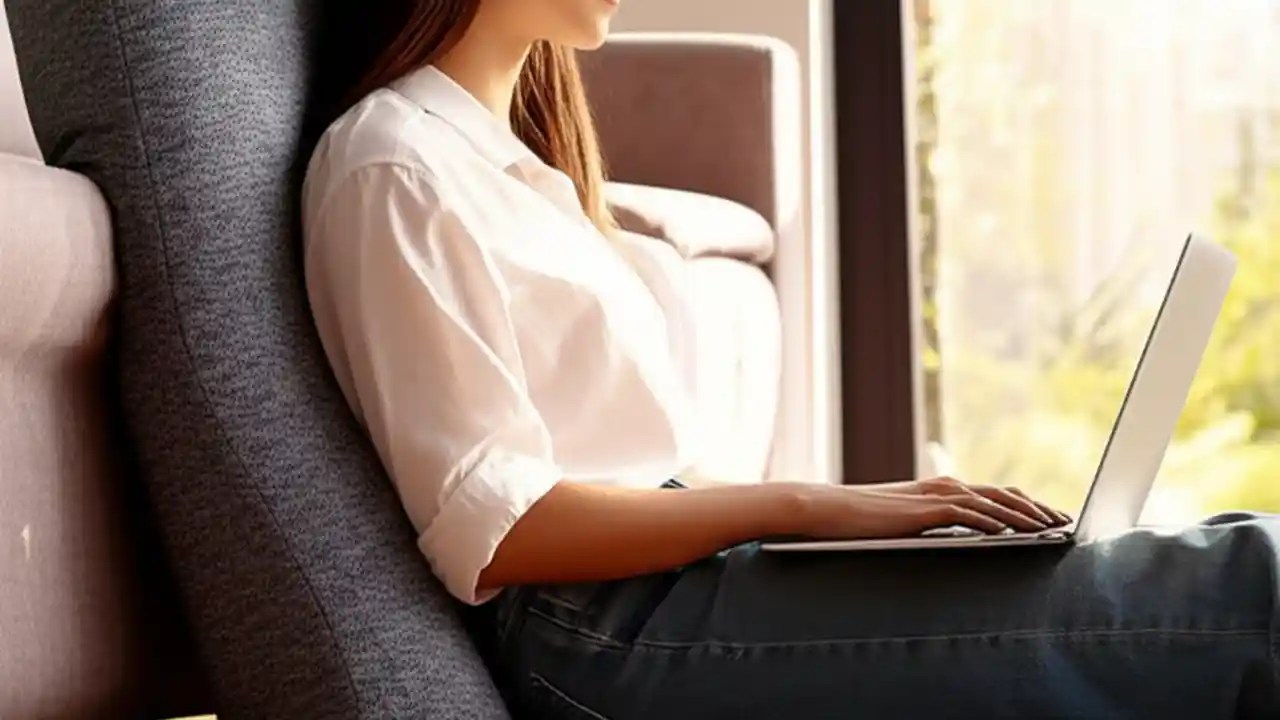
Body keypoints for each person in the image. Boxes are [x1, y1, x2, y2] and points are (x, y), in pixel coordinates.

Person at [300, 1, 1280, 717]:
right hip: (606, 635)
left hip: (663, 593)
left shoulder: (511, 166)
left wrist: (862, 518)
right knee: (1249, 590)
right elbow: (498, 530)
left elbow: (621, 467)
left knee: (1225, 558)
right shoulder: (392, 165)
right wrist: (806, 504)